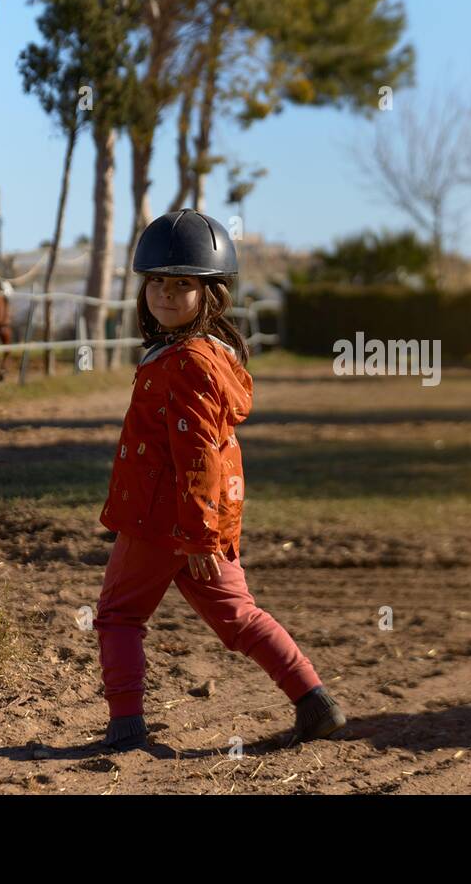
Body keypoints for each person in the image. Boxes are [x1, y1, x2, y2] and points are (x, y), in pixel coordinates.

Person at [94, 208, 347, 751]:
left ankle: (126, 726)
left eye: (182, 285)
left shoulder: (187, 362)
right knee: (237, 617)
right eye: (157, 282)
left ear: (210, 295)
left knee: (118, 616)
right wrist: (204, 532)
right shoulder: (199, 355)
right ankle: (314, 700)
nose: (165, 294)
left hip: (163, 520)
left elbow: (199, 454)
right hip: (195, 522)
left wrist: (199, 535)